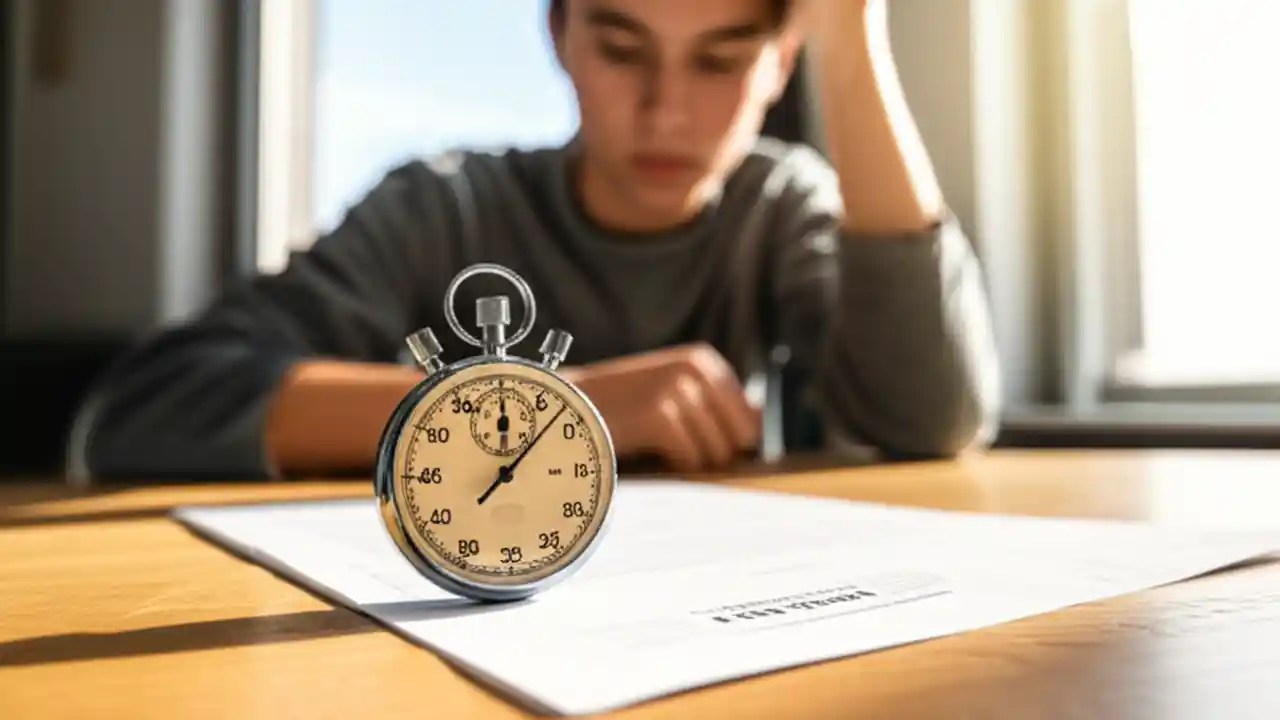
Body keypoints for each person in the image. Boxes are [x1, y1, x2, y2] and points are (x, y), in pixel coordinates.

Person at [66, 0, 1001, 481]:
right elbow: (142, 412)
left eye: (721, 60)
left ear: (777, 63)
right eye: (624, 50)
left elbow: (933, 418)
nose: (666, 111)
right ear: (560, 36)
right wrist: (555, 407)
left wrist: (851, 37)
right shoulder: (446, 207)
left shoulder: (781, 205)